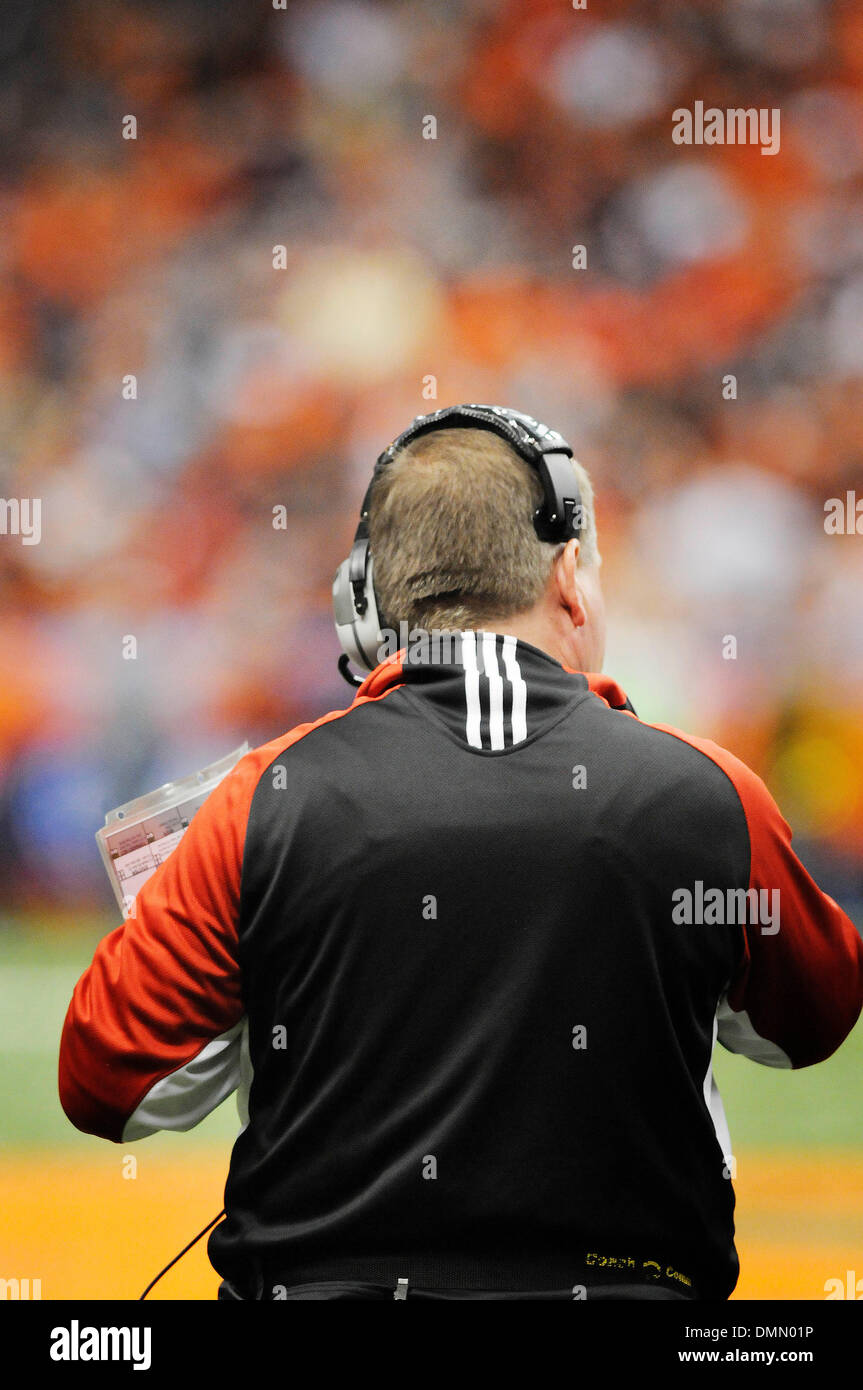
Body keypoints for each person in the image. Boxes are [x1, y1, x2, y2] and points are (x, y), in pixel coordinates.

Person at [59, 405, 863, 1301]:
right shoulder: (709, 796)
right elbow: (812, 1021)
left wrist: (226, 914)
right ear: (570, 575)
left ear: (365, 601)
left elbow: (108, 1085)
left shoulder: (260, 803)